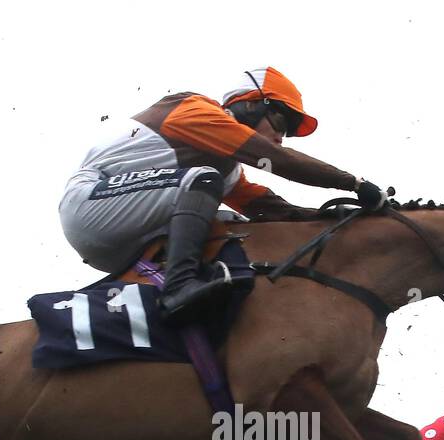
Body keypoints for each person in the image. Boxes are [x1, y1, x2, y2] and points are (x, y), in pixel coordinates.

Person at [58, 67, 388, 322]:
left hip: (121, 240)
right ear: (250, 104)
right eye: (279, 120)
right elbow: (278, 161)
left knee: (234, 222)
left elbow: (272, 210)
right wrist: (353, 184)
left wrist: (331, 216)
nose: (281, 137)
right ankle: (179, 289)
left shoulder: (227, 171)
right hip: (90, 205)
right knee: (203, 178)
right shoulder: (192, 109)